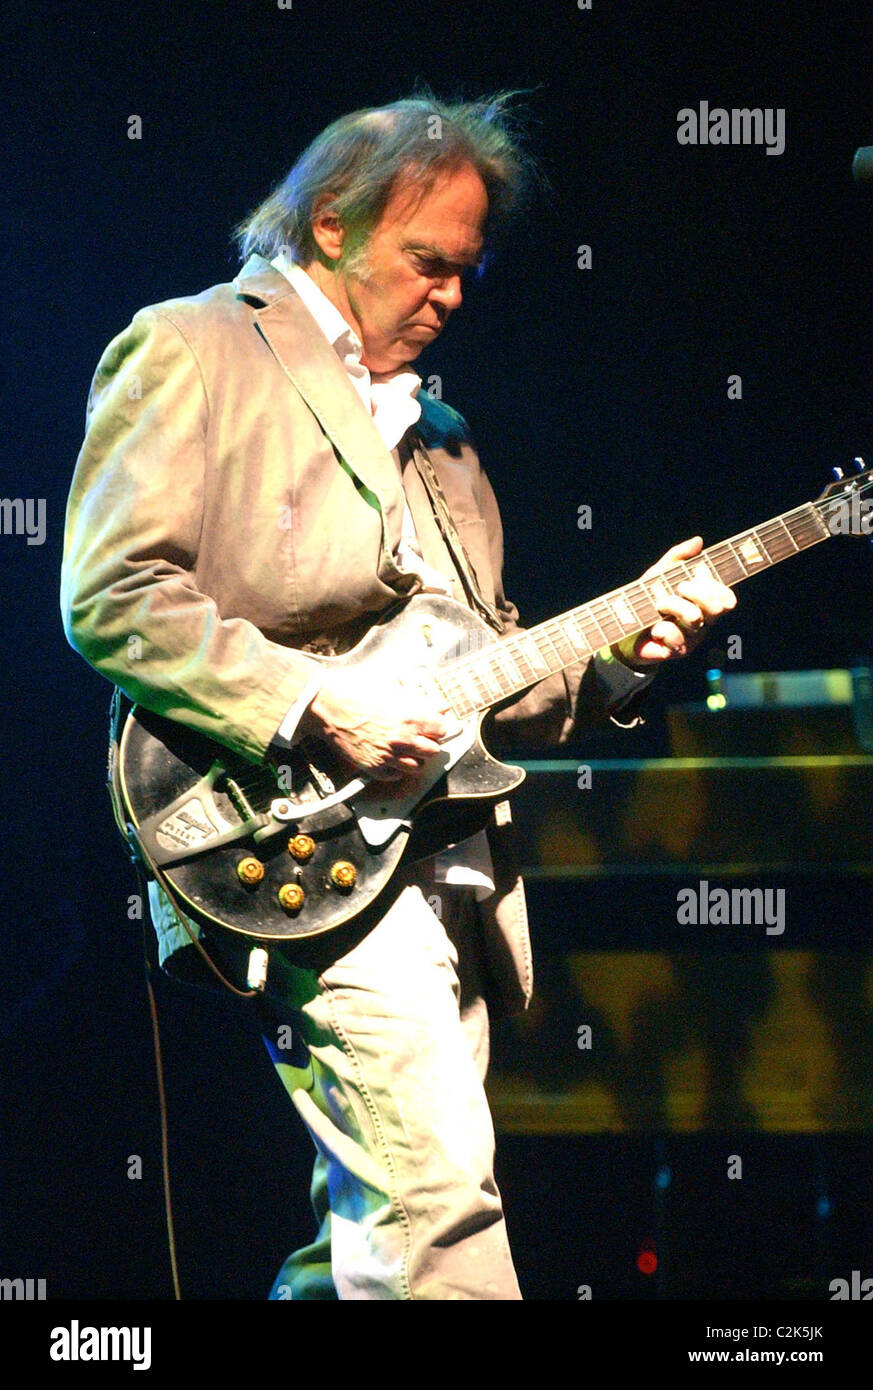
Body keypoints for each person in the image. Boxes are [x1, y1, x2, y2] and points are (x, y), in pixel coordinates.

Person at [61, 94, 736, 1300]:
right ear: (332, 224)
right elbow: (112, 594)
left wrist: (631, 646)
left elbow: (501, 681)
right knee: (437, 1210)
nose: (455, 296)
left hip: (444, 860)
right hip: (283, 833)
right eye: (429, 261)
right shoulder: (193, 347)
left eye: (469, 272)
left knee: (369, 1237)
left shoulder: (447, 436)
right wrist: (317, 711)